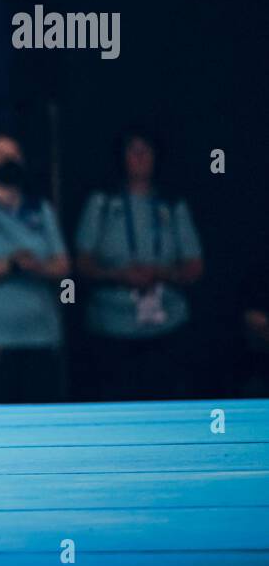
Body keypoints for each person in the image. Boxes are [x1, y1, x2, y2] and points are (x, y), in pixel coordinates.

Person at [74, 128, 204, 399]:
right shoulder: (102, 202)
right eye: (133, 150)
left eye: (147, 151)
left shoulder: (172, 203)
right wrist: (119, 275)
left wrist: (161, 273)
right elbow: (80, 264)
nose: (140, 157)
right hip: (112, 328)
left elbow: (195, 266)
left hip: (167, 326)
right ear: (121, 157)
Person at [0, 133, 71, 402]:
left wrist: (36, 266)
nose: (8, 160)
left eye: (13, 155)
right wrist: (12, 264)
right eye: (0, 155)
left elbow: (63, 265)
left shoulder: (40, 209)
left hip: (41, 336)